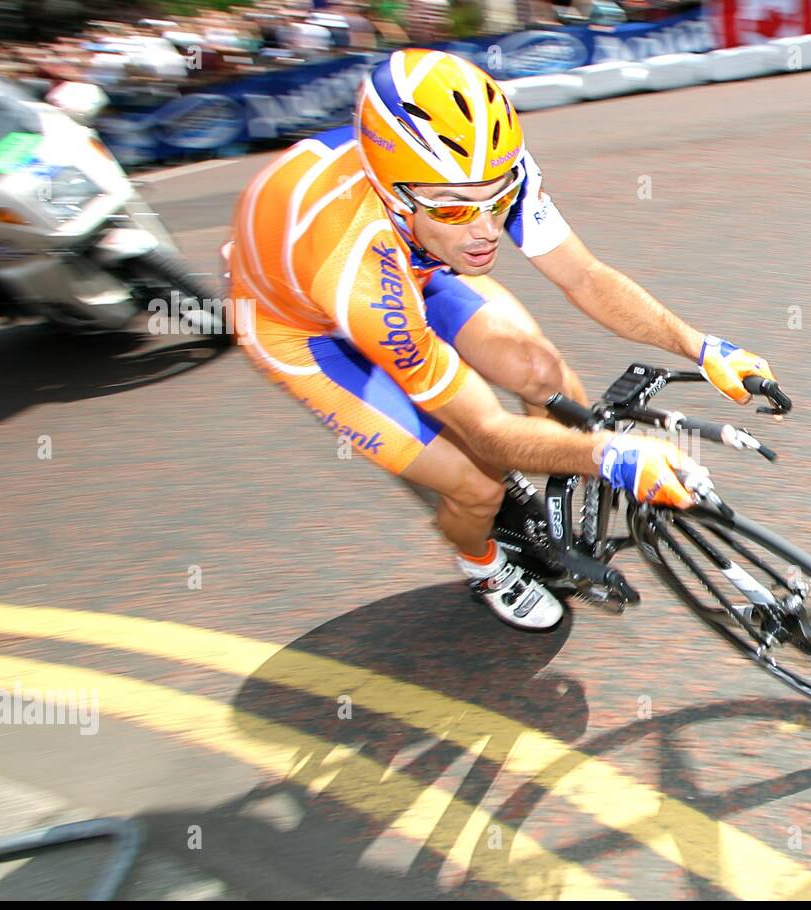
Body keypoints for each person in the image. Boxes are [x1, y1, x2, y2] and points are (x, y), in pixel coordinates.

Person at [226, 51, 777, 630]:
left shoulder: (479, 163)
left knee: (541, 371)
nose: (487, 228)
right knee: (474, 483)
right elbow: (484, 434)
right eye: (459, 207)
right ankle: (483, 562)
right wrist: (607, 453)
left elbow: (584, 276)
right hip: (301, 327)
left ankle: (548, 496)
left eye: (499, 196)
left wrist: (701, 346)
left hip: (414, 262)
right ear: (393, 194)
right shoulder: (356, 266)